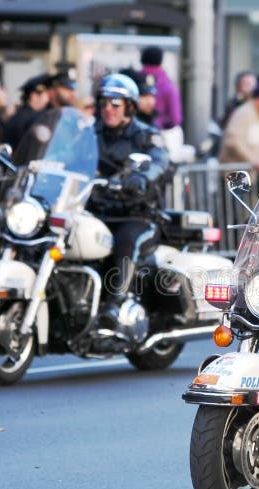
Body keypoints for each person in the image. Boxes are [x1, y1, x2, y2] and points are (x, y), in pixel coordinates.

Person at [89, 73, 171, 331]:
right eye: (104, 103)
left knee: (126, 240)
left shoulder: (146, 135)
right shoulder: (91, 133)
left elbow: (160, 161)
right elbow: (66, 154)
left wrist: (142, 177)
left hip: (137, 214)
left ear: (130, 107)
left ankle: (115, 302)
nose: (108, 109)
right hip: (96, 211)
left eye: (115, 104)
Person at [3, 73, 51, 150]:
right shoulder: (32, 119)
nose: (47, 100)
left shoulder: (22, 114)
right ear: (33, 96)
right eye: (45, 96)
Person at [140, 46, 182, 131]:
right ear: (161, 60)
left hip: (135, 132)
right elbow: (176, 118)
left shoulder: (135, 80)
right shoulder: (168, 84)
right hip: (161, 133)